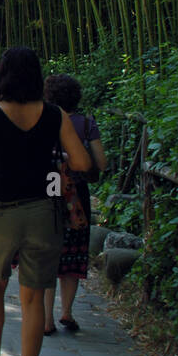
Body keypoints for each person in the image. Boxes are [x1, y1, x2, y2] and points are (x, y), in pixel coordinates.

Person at [0, 47, 92, 356]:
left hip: (0, 211)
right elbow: (82, 161)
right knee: (33, 296)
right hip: (43, 213)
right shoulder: (55, 115)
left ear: (2, 76)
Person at [42, 74, 108, 334]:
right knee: (74, 251)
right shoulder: (87, 123)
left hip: (47, 188)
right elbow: (101, 163)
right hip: (77, 194)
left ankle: (46, 320)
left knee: (47, 253)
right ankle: (66, 312)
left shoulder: (42, 119)